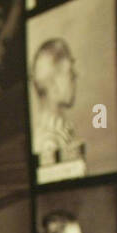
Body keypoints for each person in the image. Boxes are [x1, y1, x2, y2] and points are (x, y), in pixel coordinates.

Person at [30, 37, 84, 169]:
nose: (76, 76)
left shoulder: (61, 130)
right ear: (53, 85)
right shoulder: (49, 143)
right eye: (70, 72)